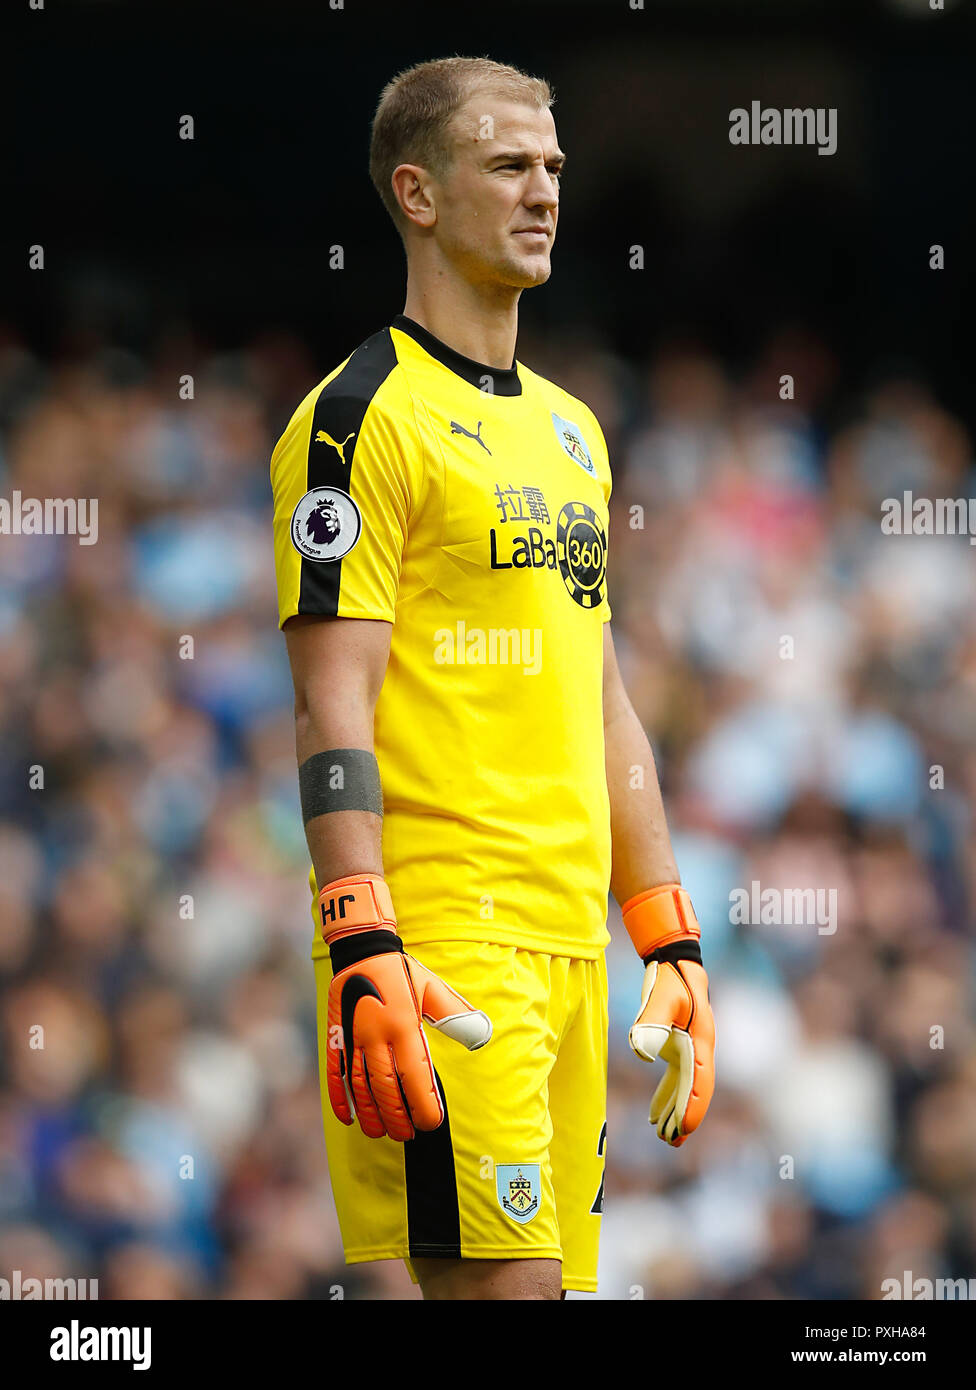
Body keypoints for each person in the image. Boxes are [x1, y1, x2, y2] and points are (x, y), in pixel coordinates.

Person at [270, 55, 715, 1302]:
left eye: (555, 168)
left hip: (571, 947)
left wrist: (666, 935)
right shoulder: (358, 420)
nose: (544, 193)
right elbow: (329, 699)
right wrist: (361, 935)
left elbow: (604, 696)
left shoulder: (573, 430)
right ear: (416, 192)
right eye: (508, 165)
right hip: (443, 948)